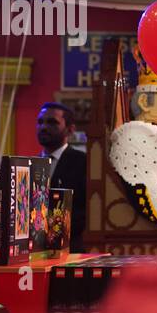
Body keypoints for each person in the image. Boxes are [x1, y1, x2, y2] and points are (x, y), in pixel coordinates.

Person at [36, 102, 87, 251]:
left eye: (52, 122)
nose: (43, 127)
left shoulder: (83, 162)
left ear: (70, 130)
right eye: (40, 122)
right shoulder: (31, 164)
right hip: (36, 248)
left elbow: (85, 211)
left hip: (71, 247)